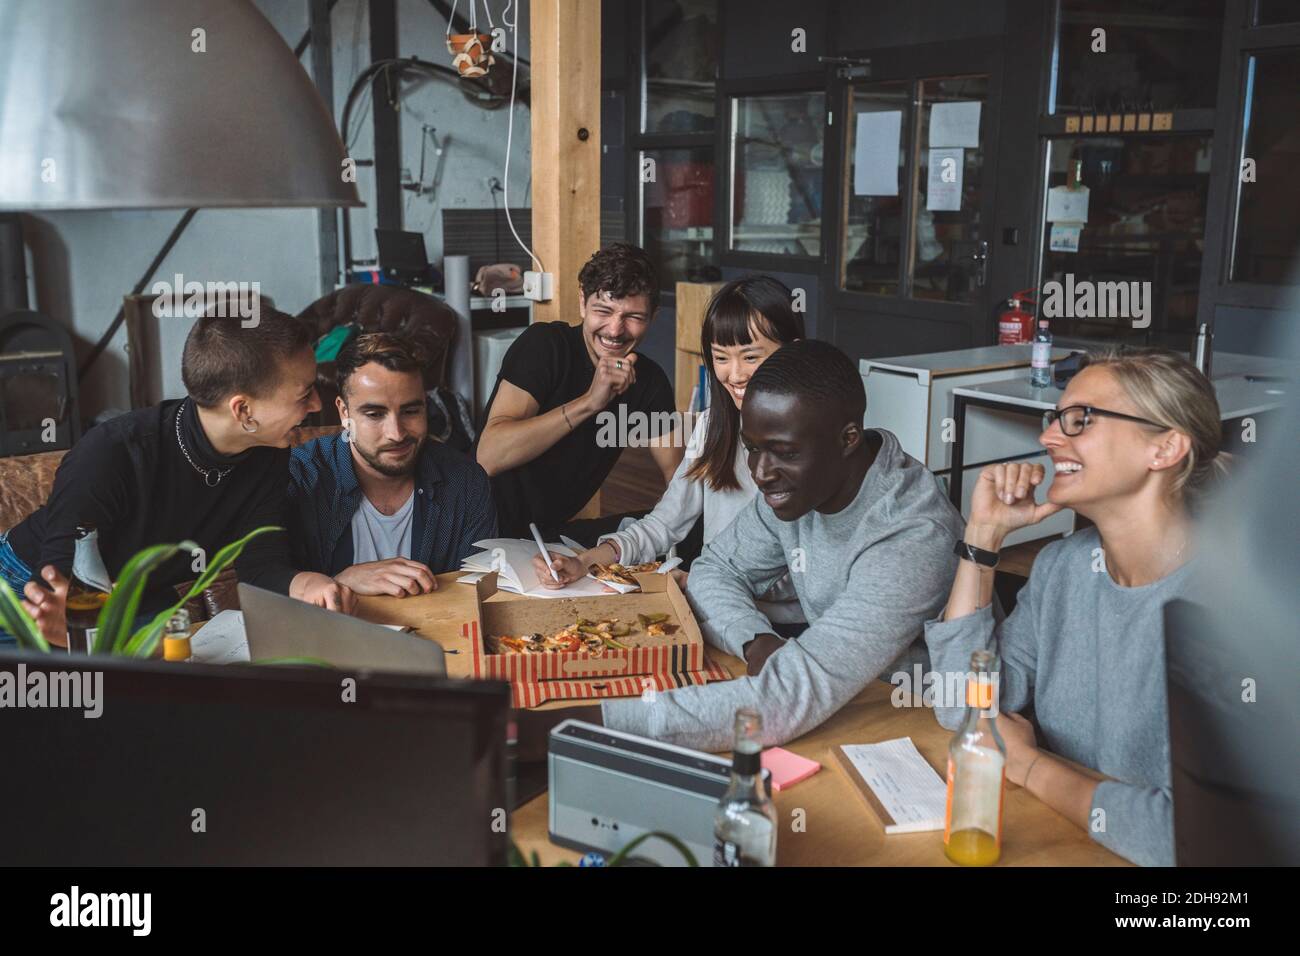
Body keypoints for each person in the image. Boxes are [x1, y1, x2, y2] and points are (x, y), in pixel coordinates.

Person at [518, 339, 965, 753]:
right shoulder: (803, 483)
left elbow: (790, 695)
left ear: (848, 438)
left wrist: (579, 725)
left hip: (916, 728)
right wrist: (755, 640)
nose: (761, 473)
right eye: (753, 449)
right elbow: (716, 568)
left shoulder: (912, 534)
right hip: (830, 701)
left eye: (783, 452)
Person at [924, 347, 1225, 867]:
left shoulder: (1231, 607)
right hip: (1063, 843)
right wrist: (982, 538)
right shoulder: (1062, 568)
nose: (1047, 438)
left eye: (1079, 420)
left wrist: (1028, 766)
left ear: (1166, 447)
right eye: (1055, 419)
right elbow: (962, 707)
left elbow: (1193, 840)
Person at [3, 306, 353, 646]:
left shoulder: (269, 452)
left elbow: (259, 562)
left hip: (136, 599)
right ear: (243, 409)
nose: (317, 406)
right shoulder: (112, 454)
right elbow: (56, 590)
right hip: (21, 590)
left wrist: (309, 585)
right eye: (304, 394)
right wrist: (84, 629)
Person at [531, 275, 804, 625]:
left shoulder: (815, 445)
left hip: (786, 628)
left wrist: (702, 583)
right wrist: (584, 562)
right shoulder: (712, 427)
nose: (734, 374)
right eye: (721, 357)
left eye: (750, 356)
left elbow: (802, 573)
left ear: (794, 352)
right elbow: (664, 524)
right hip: (715, 612)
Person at [474, 243, 682, 540]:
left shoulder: (650, 382)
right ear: (583, 302)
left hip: (546, 538)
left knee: (690, 532)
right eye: (603, 311)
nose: (614, 330)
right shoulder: (546, 346)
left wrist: (665, 531)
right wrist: (589, 402)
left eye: (633, 317)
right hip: (475, 526)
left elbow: (677, 479)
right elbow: (489, 456)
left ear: (653, 317)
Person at [286, 333, 497, 596]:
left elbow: (479, 589)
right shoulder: (300, 476)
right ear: (344, 412)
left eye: (411, 411)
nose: (396, 433)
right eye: (375, 414)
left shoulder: (465, 481)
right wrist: (339, 582)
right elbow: (264, 586)